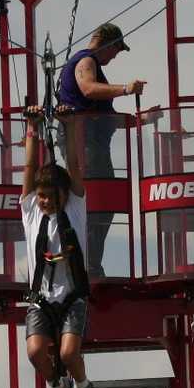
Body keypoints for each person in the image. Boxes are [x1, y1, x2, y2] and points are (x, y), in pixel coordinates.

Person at [20, 105, 97, 388]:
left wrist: (69, 126)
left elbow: (75, 167)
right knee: (36, 352)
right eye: (42, 197)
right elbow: (28, 168)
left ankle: (83, 386)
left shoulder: (75, 209)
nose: (46, 202)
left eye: (53, 197)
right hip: (42, 297)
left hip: (71, 296)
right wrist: (32, 130)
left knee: (68, 353)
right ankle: (56, 385)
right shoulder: (31, 212)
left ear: (66, 196)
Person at [56, 21, 147, 276]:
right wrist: (125, 89)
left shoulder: (87, 63)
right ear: (108, 43)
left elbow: (107, 117)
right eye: (116, 50)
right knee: (98, 203)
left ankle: (89, 264)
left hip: (90, 143)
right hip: (86, 145)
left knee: (101, 205)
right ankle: (88, 265)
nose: (115, 56)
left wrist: (143, 120)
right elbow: (88, 88)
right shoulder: (86, 62)